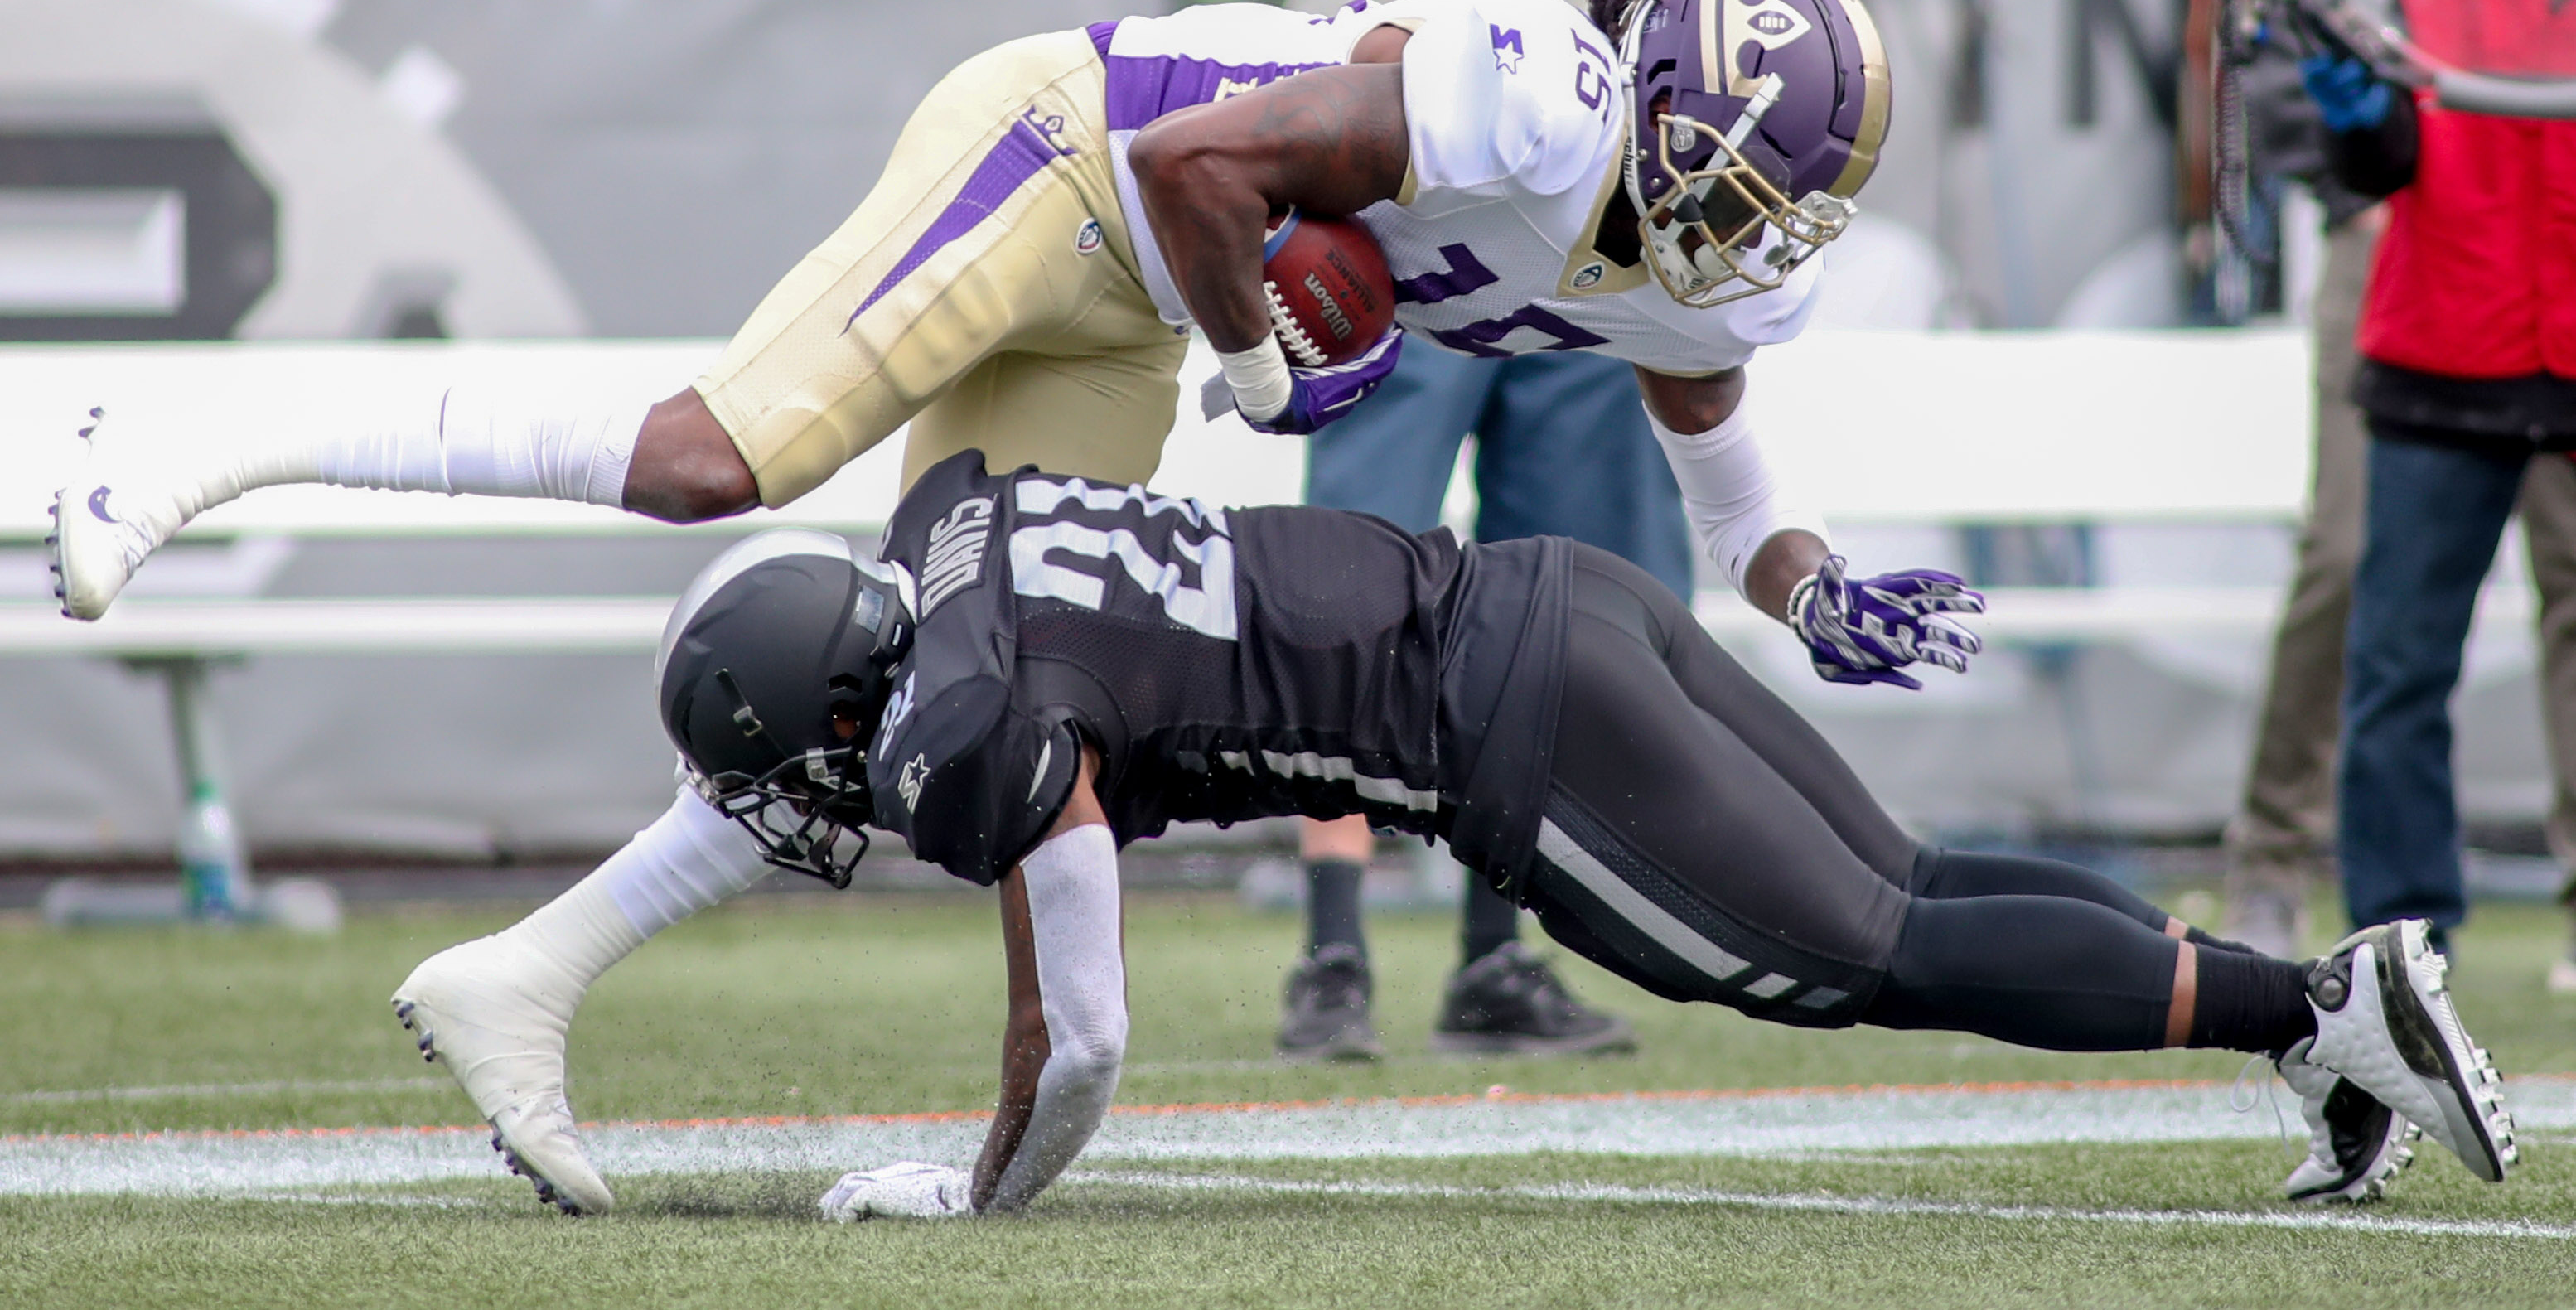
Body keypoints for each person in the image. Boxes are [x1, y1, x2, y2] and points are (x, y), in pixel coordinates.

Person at [63, 0, 1986, 1211]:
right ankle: (204, 443)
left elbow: (1735, 510)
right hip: (1076, 158)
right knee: (717, 457)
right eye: (1721, 175)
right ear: (1639, 84)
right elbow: (1199, 171)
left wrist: (1813, 591)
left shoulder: (1684, 262)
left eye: (1769, 204)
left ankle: (538, 978)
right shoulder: (1535, 85)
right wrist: (1263, 364)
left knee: (998, 687)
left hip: (1128, 317)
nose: (1735, 233)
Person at [405, 452, 2517, 1221]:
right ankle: (2311, 1036)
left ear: (850, 705)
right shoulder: (947, 528)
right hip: (1546, 592)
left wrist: (973, 1202)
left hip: (1505, 726)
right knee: (1912, 881)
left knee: (1853, 955)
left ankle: (2330, 1001)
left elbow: (1087, 1044)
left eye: (789, 768)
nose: (802, 814)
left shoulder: (968, 733)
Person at [1206, 0, 1734, 1060]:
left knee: (1555, 592)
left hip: (1579, 196)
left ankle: (1495, 960)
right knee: (1341, 579)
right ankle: (1331, 950)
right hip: (1380, 183)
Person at [2293, 0, 2576, 969]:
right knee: (2398, 664)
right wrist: (2353, 119)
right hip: (2445, 339)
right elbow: (2379, 156)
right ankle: (2399, 945)